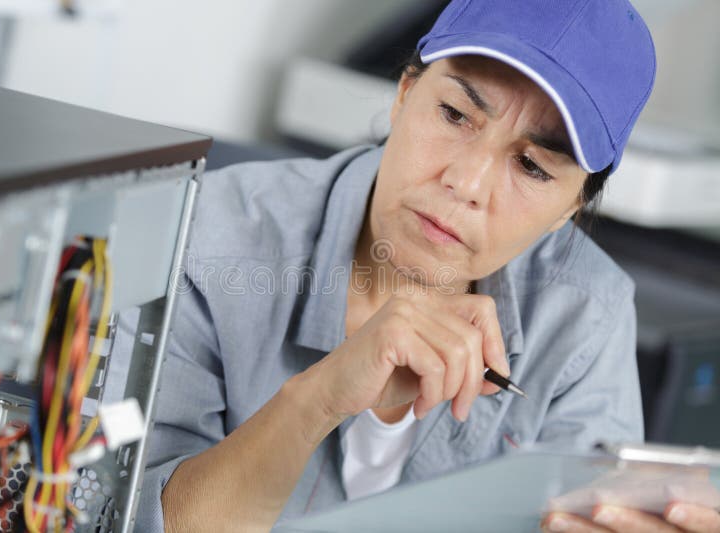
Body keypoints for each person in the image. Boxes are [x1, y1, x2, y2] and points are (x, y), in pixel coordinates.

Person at [135, 1, 720, 532]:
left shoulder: (588, 314)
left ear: (569, 208)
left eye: (534, 167)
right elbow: (154, 523)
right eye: (455, 114)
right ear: (403, 95)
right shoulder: (212, 236)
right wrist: (320, 397)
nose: (466, 183)